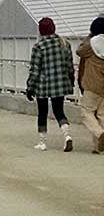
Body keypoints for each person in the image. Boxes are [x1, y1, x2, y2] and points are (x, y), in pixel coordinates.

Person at [26, 17, 75, 151]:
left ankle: (42, 142)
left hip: (43, 85)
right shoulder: (65, 43)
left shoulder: (39, 46)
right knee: (59, 111)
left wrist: (30, 88)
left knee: (42, 112)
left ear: (41, 31)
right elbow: (70, 66)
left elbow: (35, 70)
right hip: (60, 84)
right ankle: (67, 136)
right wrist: (71, 81)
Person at [77, 15, 104, 153]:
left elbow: (79, 50)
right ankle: (98, 147)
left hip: (92, 84)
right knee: (101, 115)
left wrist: (89, 36)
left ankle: (100, 134)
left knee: (86, 112)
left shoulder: (92, 44)